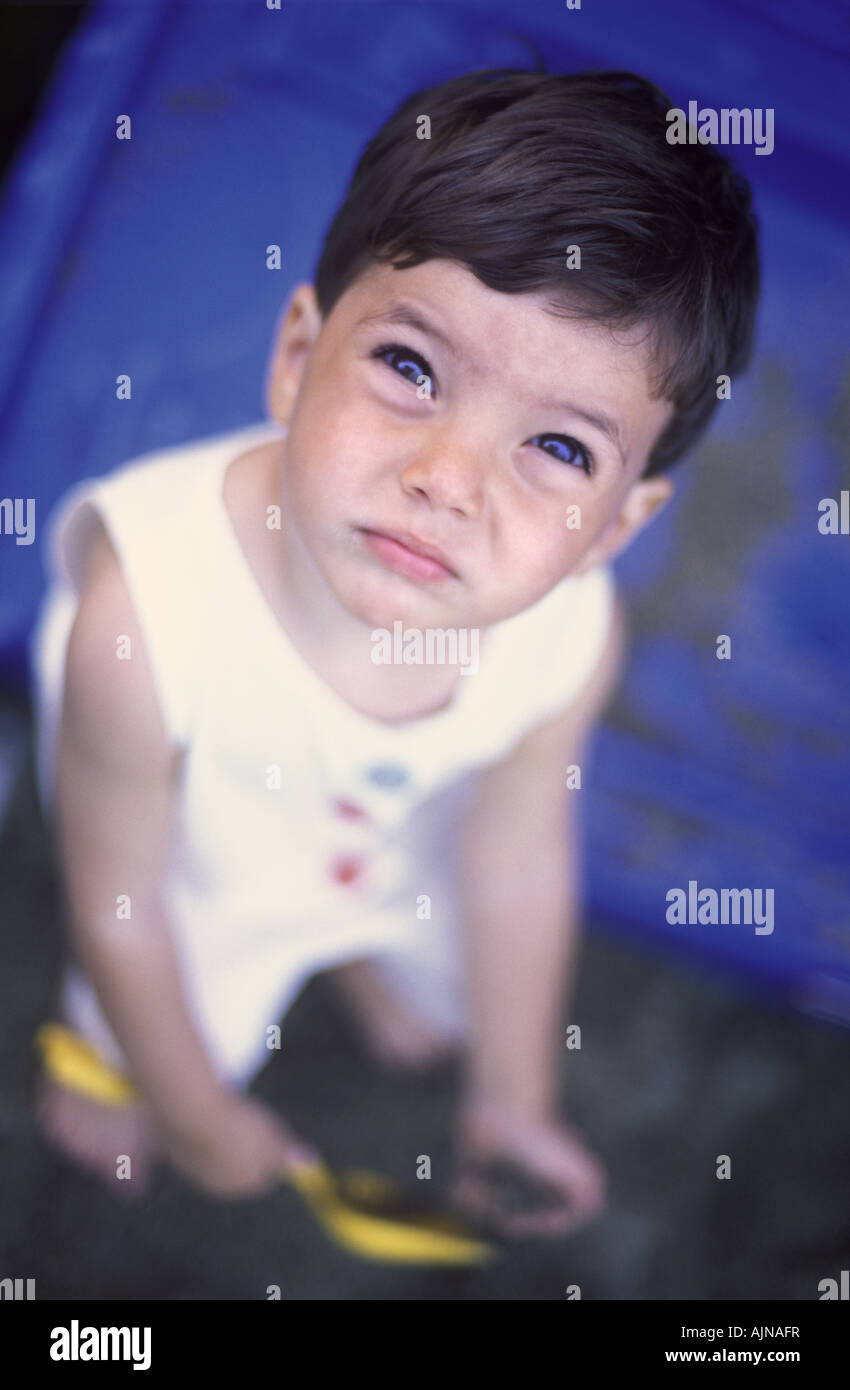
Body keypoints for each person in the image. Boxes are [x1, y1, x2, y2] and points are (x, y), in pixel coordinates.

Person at [29, 68, 759, 1240]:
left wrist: (511, 1101)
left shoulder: (569, 631)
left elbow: (518, 849)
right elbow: (116, 902)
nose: (448, 481)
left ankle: (360, 954)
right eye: (410, 369)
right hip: (181, 864)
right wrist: (194, 1110)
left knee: (472, 991)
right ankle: (105, 1061)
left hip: (391, 837)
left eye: (560, 450)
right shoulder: (142, 628)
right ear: (297, 352)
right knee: (145, 1018)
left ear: (614, 529)